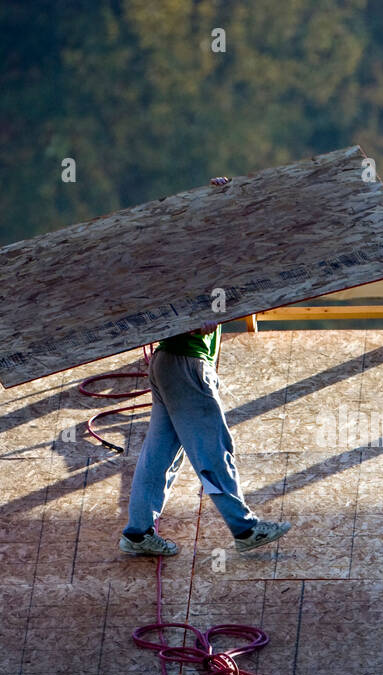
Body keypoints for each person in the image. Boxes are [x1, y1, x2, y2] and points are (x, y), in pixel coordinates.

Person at [120, 176, 291, 557]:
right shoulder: (192, 258)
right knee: (213, 448)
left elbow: (232, 244)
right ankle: (245, 530)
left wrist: (225, 200)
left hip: (168, 362)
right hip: (185, 362)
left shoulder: (194, 257)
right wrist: (194, 316)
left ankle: (137, 533)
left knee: (161, 454)